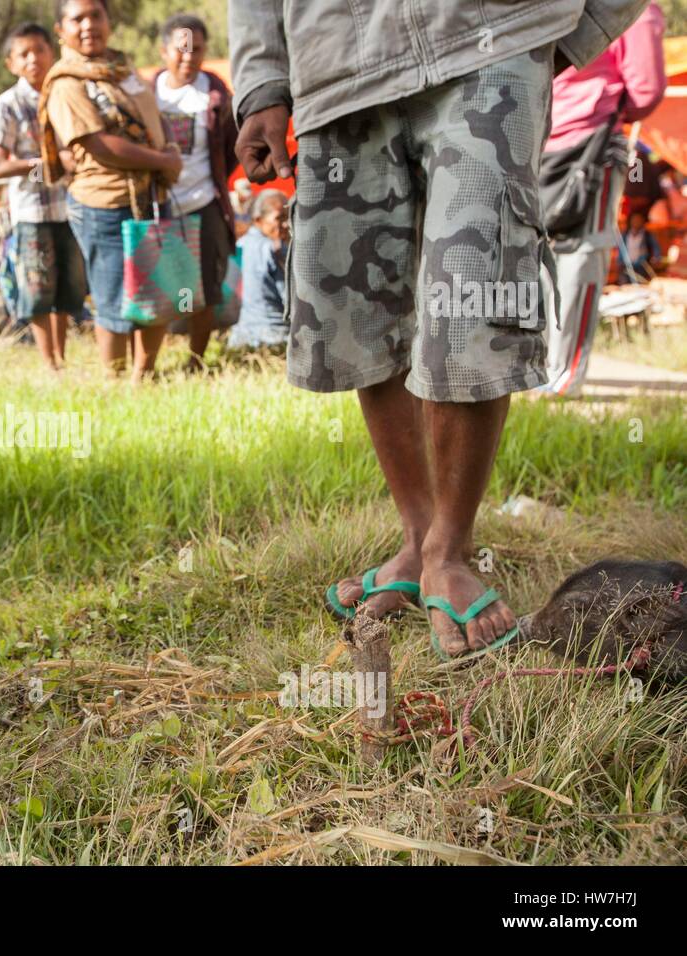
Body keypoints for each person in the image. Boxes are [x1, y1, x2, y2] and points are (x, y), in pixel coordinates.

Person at [231, 0, 649, 660]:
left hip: (486, 37)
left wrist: (557, 33)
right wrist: (262, 81)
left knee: (475, 291)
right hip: (334, 59)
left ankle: (449, 549)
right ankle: (419, 536)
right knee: (363, 310)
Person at [39, 0, 183, 382]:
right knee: (113, 296)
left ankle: (144, 376)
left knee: (156, 291)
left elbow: (153, 116)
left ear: (109, 21)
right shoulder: (66, 83)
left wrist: (167, 148)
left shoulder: (123, 69)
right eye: (77, 19)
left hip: (151, 196)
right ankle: (115, 379)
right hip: (104, 203)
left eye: (96, 16)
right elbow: (98, 145)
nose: (88, 25)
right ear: (60, 30)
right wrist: (162, 161)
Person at [539, 4, 666, 397]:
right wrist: (605, 106)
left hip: (534, 134)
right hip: (592, 142)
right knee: (583, 253)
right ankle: (562, 378)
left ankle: (540, 369)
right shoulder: (634, 7)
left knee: (538, 251)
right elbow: (646, 87)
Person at [0, 22, 87, 372]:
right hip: (32, 210)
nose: (34, 59)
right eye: (24, 54)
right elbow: (0, 166)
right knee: (38, 287)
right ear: (11, 63)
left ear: (53, 52)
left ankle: (62, 357)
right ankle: (49, 362)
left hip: (71, 206)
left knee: (68, 285)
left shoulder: (65, 93)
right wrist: (48, 164)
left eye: (40, 50)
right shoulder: (9, 104)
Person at [152, 13, 239, 372]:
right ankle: (148, 363)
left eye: (197, 50)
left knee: (204, 288)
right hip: (157, 208)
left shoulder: (216, 94)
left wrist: (214, 180)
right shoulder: (148, 93)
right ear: (164, 51)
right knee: (160, 285)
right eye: (181, 49)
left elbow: (234, 146)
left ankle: (196, 361)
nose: (188, 57)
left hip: (204, 205)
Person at [228, 188, 289, 351]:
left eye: (289, 218)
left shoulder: (239, 245)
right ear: (258, 220)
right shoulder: (274, 249)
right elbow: (290, 301)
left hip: (241, 337)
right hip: (276, 336)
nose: (286, 224)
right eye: (279, 218)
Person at [620, 209, 661, 281]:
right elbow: (620, 248)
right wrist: (620, 261)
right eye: (634, 219)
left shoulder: (647, 235)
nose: (636, 222)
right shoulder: (625, 234)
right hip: (626, 265)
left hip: (641, 266)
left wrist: (656, 258)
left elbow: (656, 247)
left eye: (639, 220)